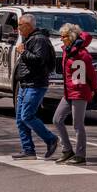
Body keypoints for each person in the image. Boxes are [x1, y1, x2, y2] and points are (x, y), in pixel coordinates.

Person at [12, 14, 58, 159]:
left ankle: (51, 139)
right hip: (25, 84)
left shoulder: (39, 40)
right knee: (20, 119)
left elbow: (39, 60)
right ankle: (28, 150)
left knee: (27, 115)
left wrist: (23, 52)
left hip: (35, 84)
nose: (18, 28)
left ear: (28, 26)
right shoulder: (30, 39)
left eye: (20, 25)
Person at [51, 23, 97, 166]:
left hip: (79, 92)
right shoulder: (67, 50)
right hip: (69, 91)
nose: (61, 39)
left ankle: (80, 155)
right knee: (57, 119)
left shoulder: (82, 54)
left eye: (63, 36)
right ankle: (67, 150)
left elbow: (91, 74)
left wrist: (94, 89)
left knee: (78, 125)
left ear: (70, 37)